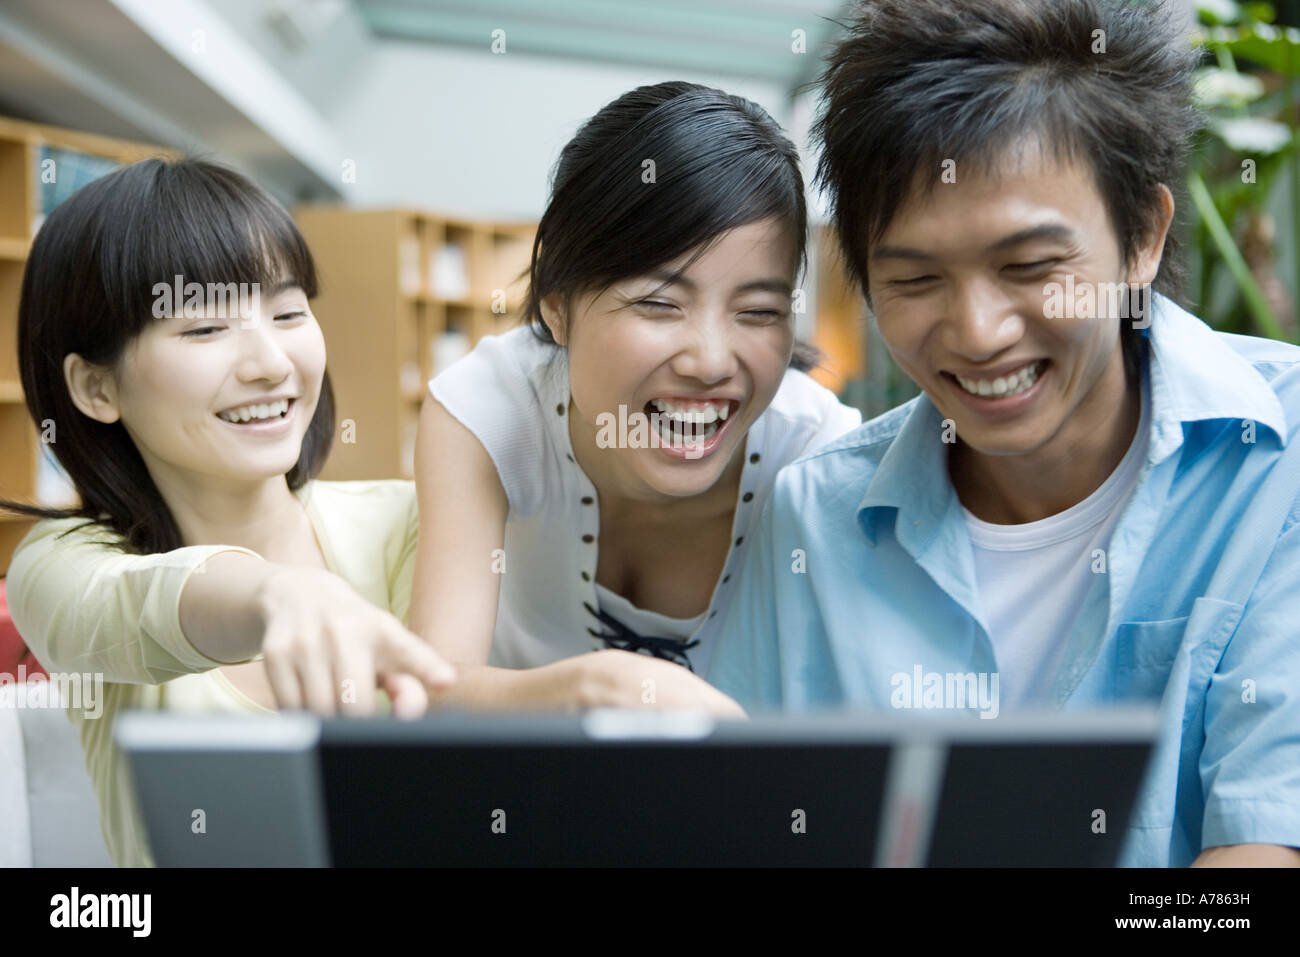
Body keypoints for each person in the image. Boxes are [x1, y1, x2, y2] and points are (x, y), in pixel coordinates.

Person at [708, 0, 1300, 867]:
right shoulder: (815, 518)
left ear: (1142, 238)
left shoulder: (1275, 454)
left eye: (1029, 267)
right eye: (915, 279)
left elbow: (1250, 871)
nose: (977, 332)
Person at [4, 158, 456, 866]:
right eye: (205, 329)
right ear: (96, 386)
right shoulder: (61, 563)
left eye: (287, 312)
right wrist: (279, 592)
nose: (271, 362)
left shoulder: (410, 521)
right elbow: (141, 605)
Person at [408, 81, 861, 709]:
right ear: (559, 309)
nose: (709, 361)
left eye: (758, 311)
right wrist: (591, 689)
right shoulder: (488, 412)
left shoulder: (818, 457)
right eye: (657, 303)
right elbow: (431, 695)